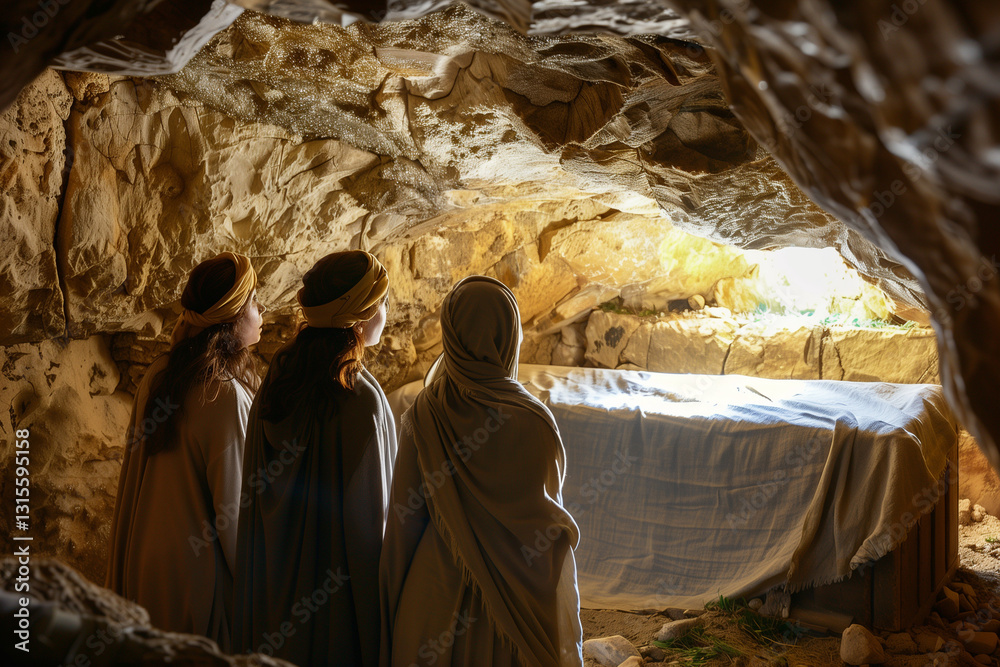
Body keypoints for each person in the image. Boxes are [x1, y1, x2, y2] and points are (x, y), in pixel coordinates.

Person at [379, 276, 584, 667]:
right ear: (511, 336)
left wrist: (391, 610)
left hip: (433, 603)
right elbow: (544, 525)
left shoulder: (425, 414)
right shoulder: (534, 421)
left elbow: (403, 524)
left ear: (451, 337)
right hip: (518, 608)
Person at [233, 250, 397, 666]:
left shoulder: (279, 376)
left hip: (273, 595)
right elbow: (370, 529)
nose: (386, 311)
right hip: (335, 607)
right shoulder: (361, 399)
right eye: (381, 302)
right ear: (359, 318)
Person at [106, 252, 263, 652]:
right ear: (232, 315)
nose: (261, 310)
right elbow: (235, 517)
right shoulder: (223, 394)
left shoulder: (160, 373)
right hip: (197, 585)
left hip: (145, 566)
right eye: (254, 301)